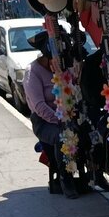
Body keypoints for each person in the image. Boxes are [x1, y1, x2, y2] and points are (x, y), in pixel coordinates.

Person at [24, 31, 78, 199]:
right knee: (63, 137)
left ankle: (94, 174)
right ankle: (65, 179)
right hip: (45, 121)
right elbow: (39, 106)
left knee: (87, 132)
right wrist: (59, 120)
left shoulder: (62, 68)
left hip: (67, 115)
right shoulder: (32, 71)